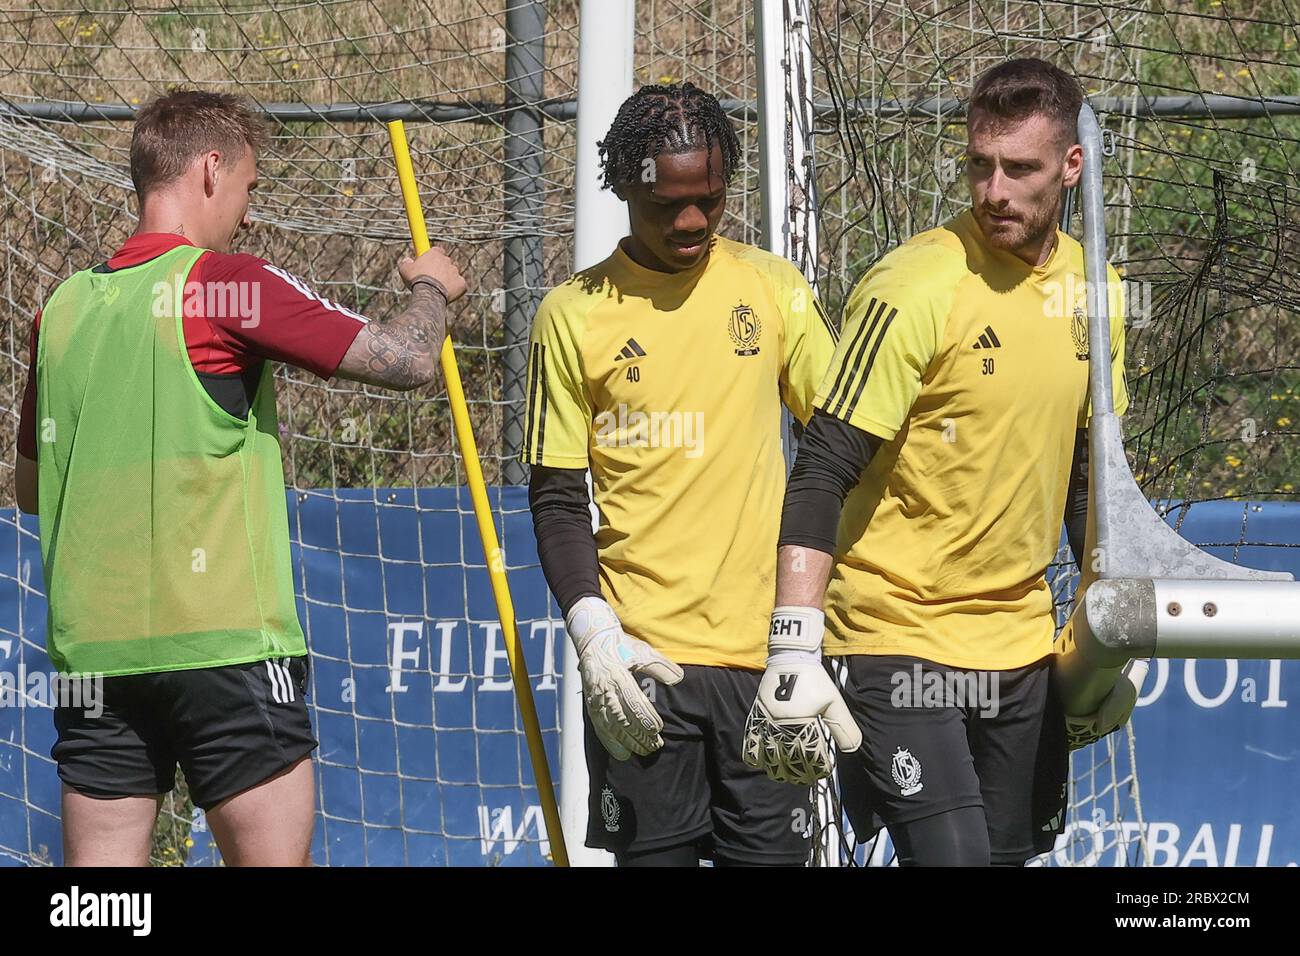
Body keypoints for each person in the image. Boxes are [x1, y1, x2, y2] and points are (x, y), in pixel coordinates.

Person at [13, 89, 466, 866]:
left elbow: (29, 488)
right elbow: (409, 359)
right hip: (225, 651)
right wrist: (432, 289)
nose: (251, 214)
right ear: (211, 169)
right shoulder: (225, 284)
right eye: (252, 188)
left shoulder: (62, 310)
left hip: (96, 659)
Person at [743, 58, 1140, 866]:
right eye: (978, 165)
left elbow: (1086, 478)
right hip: (895, 634)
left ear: (1071, 167)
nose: (993, 190)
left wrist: (1107, 630)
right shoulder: (914, 286)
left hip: (1018, 642)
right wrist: (792, 644)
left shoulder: (1096, 290)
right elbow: (822, 466)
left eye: (1018, 169)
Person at [523, 82, 838, 866]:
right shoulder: (573, 314)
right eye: (669, 203)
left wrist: (815, 633)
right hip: (645, 666)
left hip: (764, 668)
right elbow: (557, 497)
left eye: (711, 198)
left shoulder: (772, 289)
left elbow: (838, 453)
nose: (693, 220)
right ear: (625, 186)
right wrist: (594, 636)